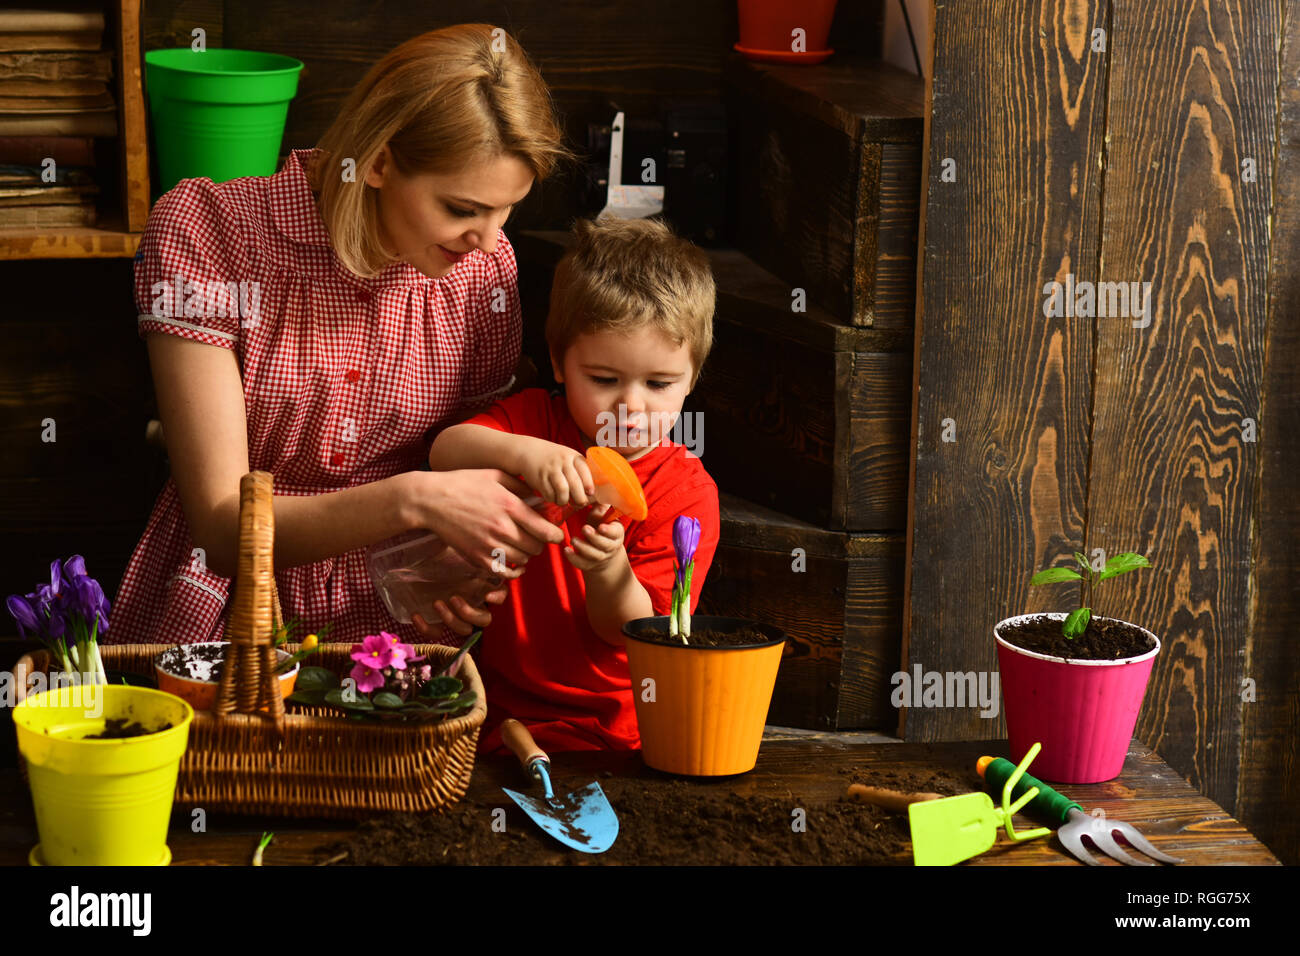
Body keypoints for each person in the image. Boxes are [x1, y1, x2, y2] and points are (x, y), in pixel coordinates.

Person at [111, 24, 575, 647]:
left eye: (507, 210)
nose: (488, 240)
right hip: (234, 613)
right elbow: (224, 530)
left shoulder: (483, 270)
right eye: (463, 209)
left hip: (400, 615)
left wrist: (456, 569)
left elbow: (473, 459)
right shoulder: (212, 235)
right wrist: (418, 501)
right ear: (379, 161)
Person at [426, 215, 720, 753]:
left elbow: (641, 636)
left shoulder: (686, 491)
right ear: (560, 363)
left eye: (659, 384)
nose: (631, 406)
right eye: (604, 380)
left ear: (692, 377)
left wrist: (609, 570)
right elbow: (444, 453)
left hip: (619, 729)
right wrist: (522, 451)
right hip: (501, 710)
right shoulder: (534, 421)